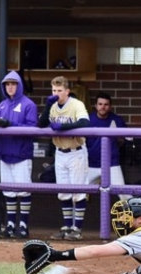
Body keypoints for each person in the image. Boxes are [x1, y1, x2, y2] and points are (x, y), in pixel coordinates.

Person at [38, 76, 91, 241]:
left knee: (78, 192)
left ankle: (77, 229)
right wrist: (47, 107)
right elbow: (40, 124)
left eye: (59, 90)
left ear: (67, 91)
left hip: (76, 151)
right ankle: (67, 226)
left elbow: (84, 123)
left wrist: (63, 127)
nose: (56, 93)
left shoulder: (76, 104)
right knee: (63, 192)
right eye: (54, 90)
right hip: (60, 152)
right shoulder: (52, 106)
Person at [0, 70, 38, 238]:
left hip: (21, 154)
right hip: (5, 153)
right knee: (9, 191)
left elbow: (32, 128)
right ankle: (11, 224)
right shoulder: (2, 105)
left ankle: (23, 224)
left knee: (23, 191)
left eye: (13, 84)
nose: (10, 87)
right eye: (7, 84)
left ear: (19, 86)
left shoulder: (28, 104)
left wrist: (10, 124)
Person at [86, 92, 130, 202]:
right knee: (78, 195)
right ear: (95, 106)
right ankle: (74, 220)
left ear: (110, 106)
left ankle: (137, 218)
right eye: (100, 104)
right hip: (91, 164)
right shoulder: (87, 120)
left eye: (106, 104)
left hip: (111, 164)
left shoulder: (117, 120)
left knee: (124, 195)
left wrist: (118, 134)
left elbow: (129, 138)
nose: (103, 107)